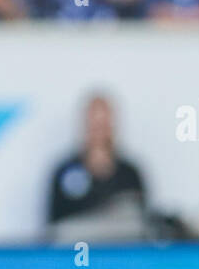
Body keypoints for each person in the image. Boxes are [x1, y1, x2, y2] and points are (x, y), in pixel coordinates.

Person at [47, 93, 146, 227]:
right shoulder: (64, 172)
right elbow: (54, 227)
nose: (99, 131)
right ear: (84, 125)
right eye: (94, 125)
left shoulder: (130, 173)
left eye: (103, 125)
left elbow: (142, 223)